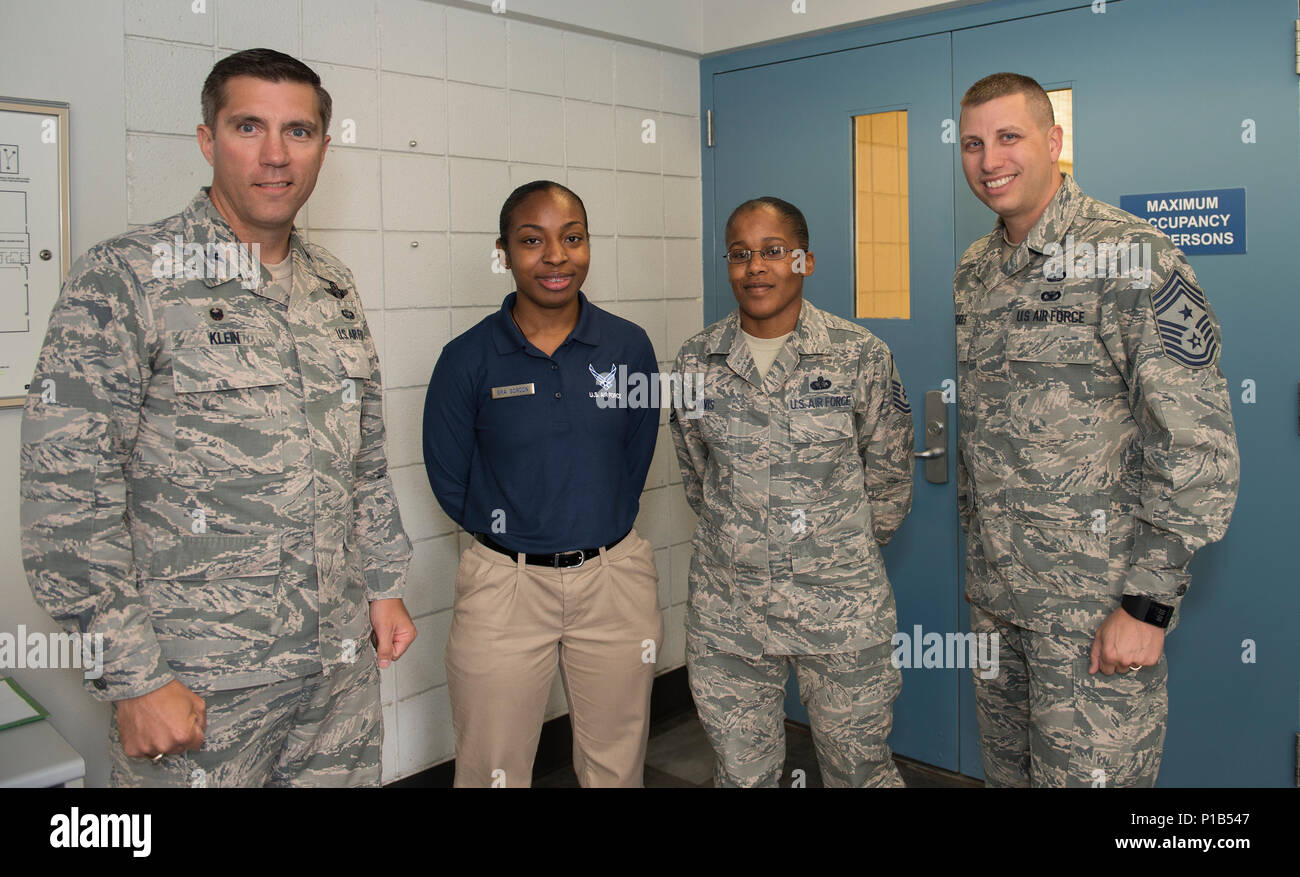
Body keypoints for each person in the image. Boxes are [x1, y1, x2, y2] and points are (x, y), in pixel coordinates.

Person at [19, 48, 415, 787]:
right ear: (207, 140)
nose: (274, 155)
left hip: (337, 676)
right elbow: (68, 501)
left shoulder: (332, 286)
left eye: (298, 131)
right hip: (197, 689)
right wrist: (133, 677)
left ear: (323, 146)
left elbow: (363, 456)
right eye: (247, 127)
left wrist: (384, 585)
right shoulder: (126, 278)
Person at [954, 72, 1240, 787]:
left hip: (1094, 612)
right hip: (998, 607)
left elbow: (1196, 443)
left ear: (1054, 142)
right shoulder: (975, 270)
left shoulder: (1132, 256)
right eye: (972, 144)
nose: (990, 160)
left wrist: (1147, 603)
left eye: (1009, 137)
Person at [423, 180, 662, 788]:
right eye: (533, 241)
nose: (556, 256)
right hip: (506, 584)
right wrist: (521, 536)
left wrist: (588, 525)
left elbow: (635, 458)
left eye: (572, 238)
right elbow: (450, 478)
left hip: (613, 579)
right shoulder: (466, 358)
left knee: (616, 764)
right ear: (503, 252)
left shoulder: (629, 347)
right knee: (492, 768)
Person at [670, 196, 914, 787]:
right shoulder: (696, 362)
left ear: (804, 260)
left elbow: (890, 477)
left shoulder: (859, 356)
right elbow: (699, 477)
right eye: (740, 254)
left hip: (840, 607)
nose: (756, 267)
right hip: (730, 610)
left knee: (861, 771)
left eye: (774, 252)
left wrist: (833, 549)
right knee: (741, 775)